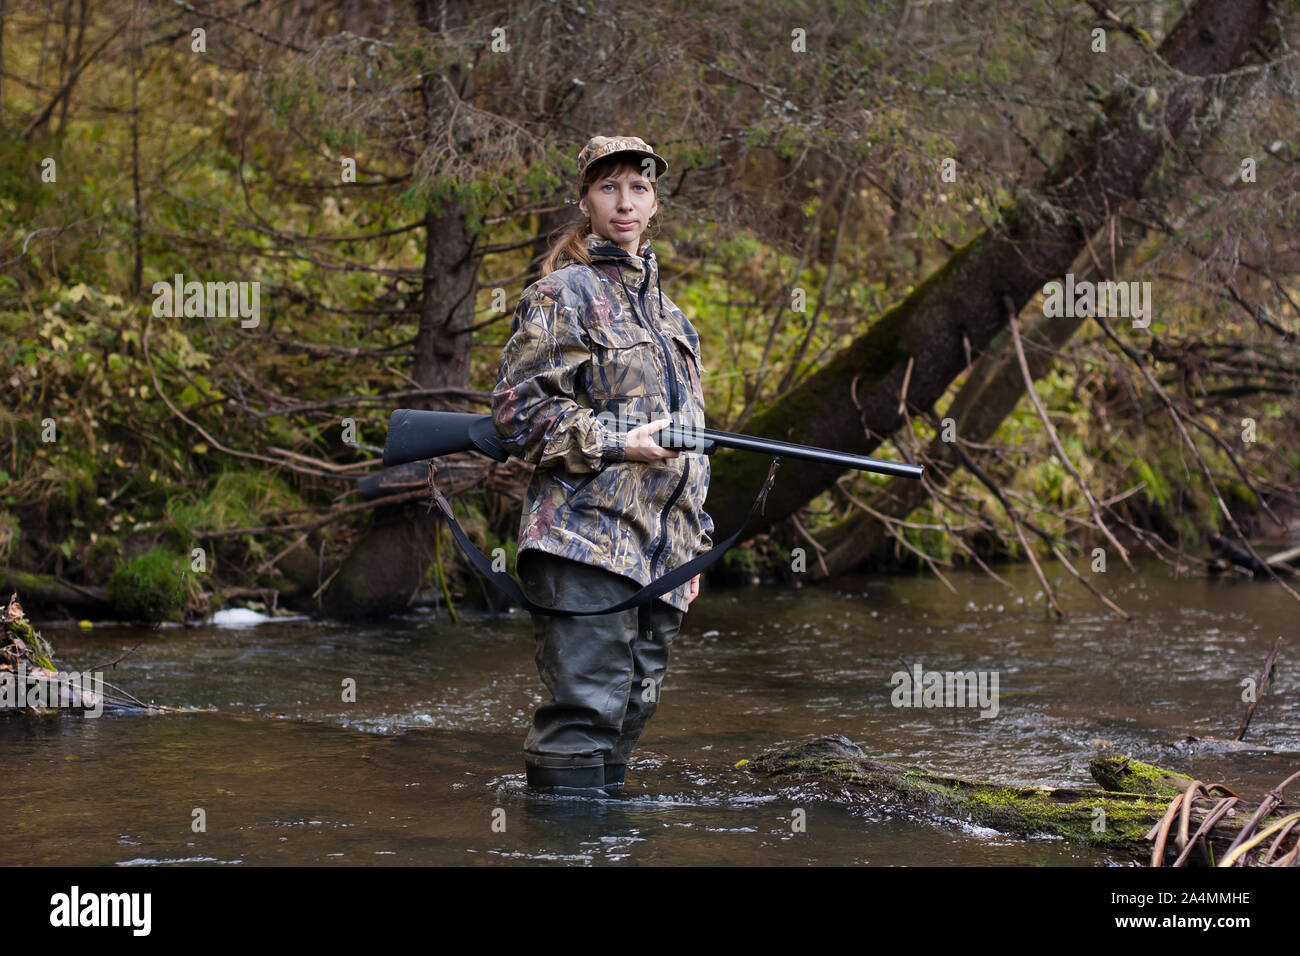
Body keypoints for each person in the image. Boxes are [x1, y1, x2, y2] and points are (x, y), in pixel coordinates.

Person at [492, 135, 713, 797]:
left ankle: (601, 844)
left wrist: (693, 549)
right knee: (584, 717)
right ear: (584, 199)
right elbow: (516, 415)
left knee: (629, 718)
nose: (625, 202)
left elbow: (693, 440)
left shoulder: (673, 316)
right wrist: (618, 442)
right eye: (609, 187)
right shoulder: (562, 293)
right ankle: (563, 845)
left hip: (660, 557)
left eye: (639, 188)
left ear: (654, 203)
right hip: (583, 543)